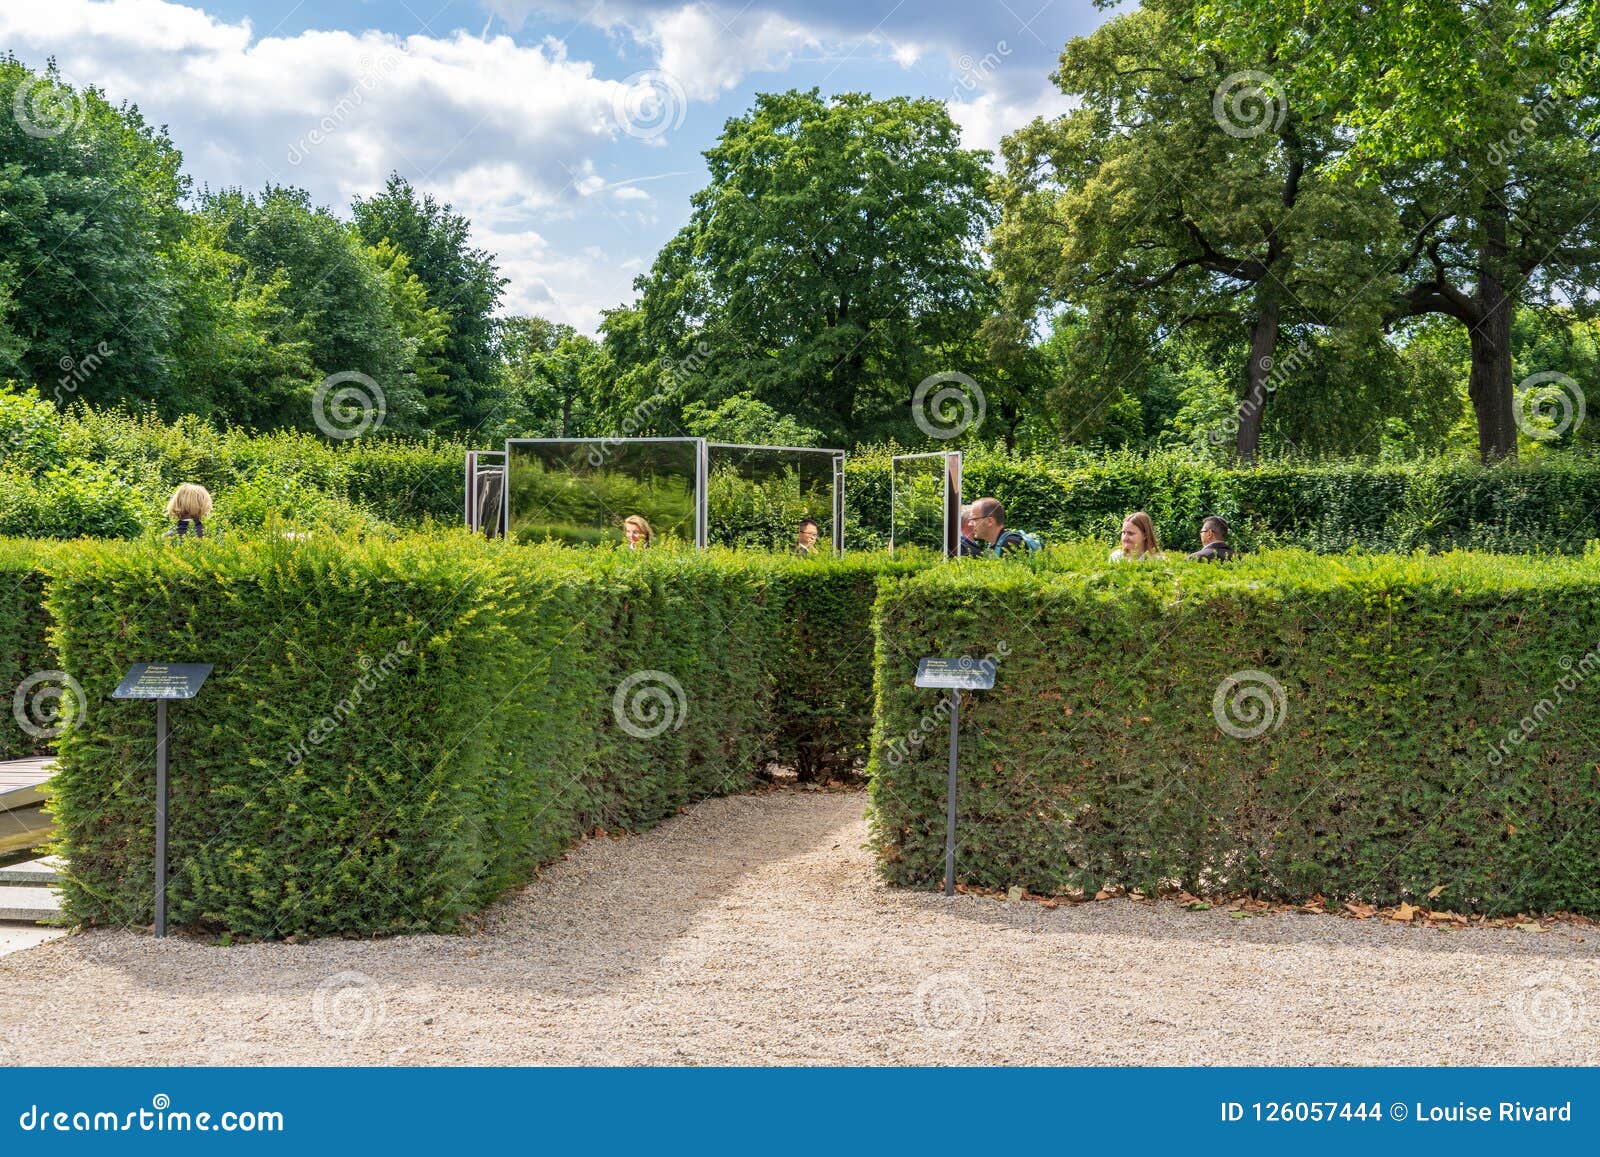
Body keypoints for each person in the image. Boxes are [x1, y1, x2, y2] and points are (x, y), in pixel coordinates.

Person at [968, 497, 1037, 557]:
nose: (970, 524)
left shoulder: (1011, 544)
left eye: (974, 519)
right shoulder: (993, 545)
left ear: (989, 521)